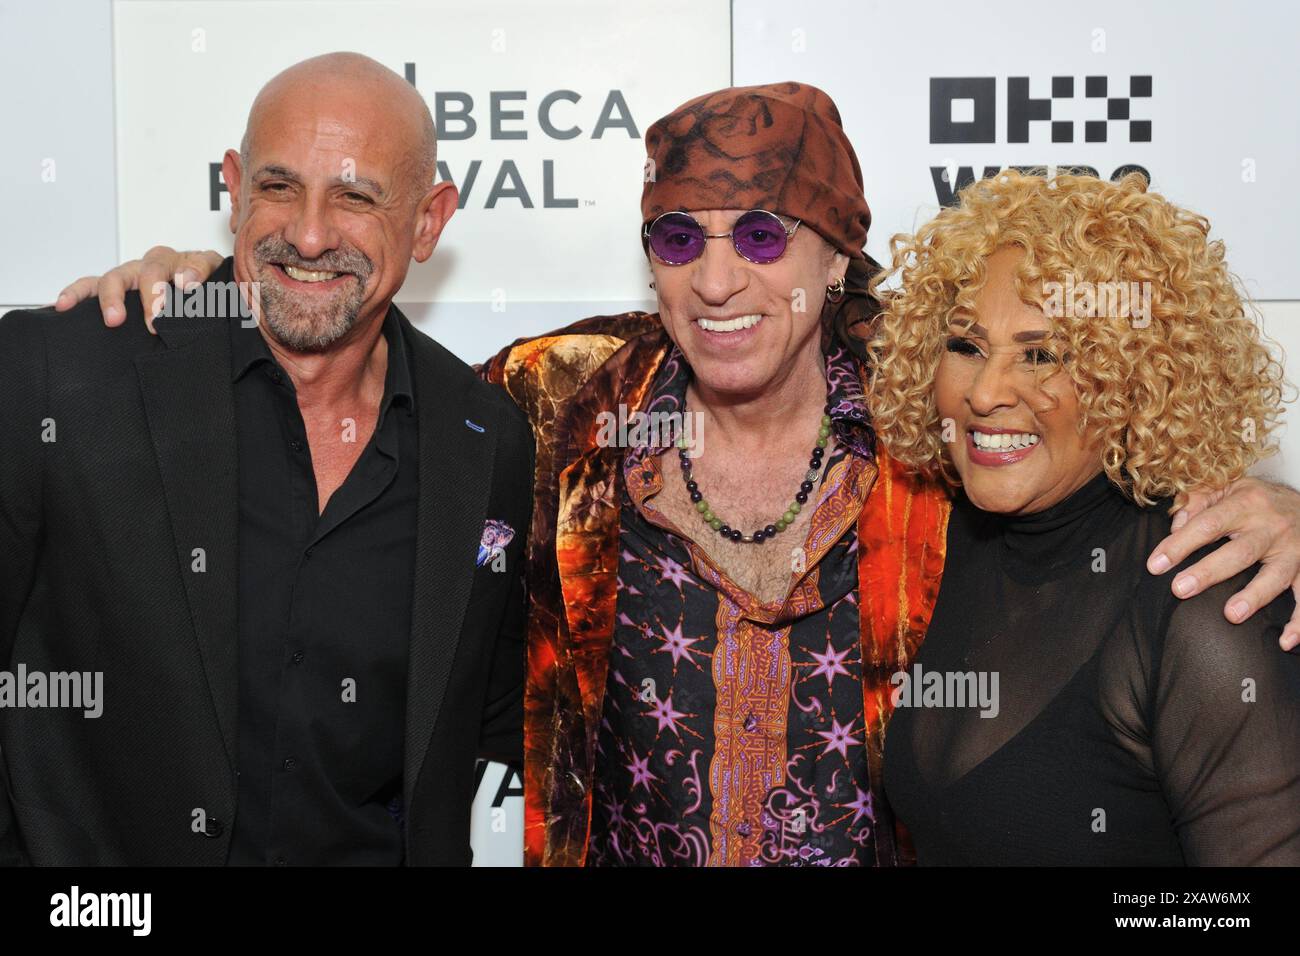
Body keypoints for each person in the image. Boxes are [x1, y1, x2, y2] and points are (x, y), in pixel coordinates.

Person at [53, 82, 1300, 867]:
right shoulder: (553, 401)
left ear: (837, 257)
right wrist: (211, 283)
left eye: (763, 236)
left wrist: (1286, 507)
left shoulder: (938, 422)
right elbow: (349, 355)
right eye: (677, 237)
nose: (716, 280)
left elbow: (1098, 416)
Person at [0, 53, 534, 865]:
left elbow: (497, 730)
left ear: (429, 221)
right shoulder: (63, 376)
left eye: (355, 196)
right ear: (234, 187)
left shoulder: (487, 441)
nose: (310, 234)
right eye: (279, 188)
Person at [871, 171, 1300, 864]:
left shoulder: (1206, 601)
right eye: (966, 346)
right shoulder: (941, 543)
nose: (985, 393)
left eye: (1043, 356)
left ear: (1136, 376)